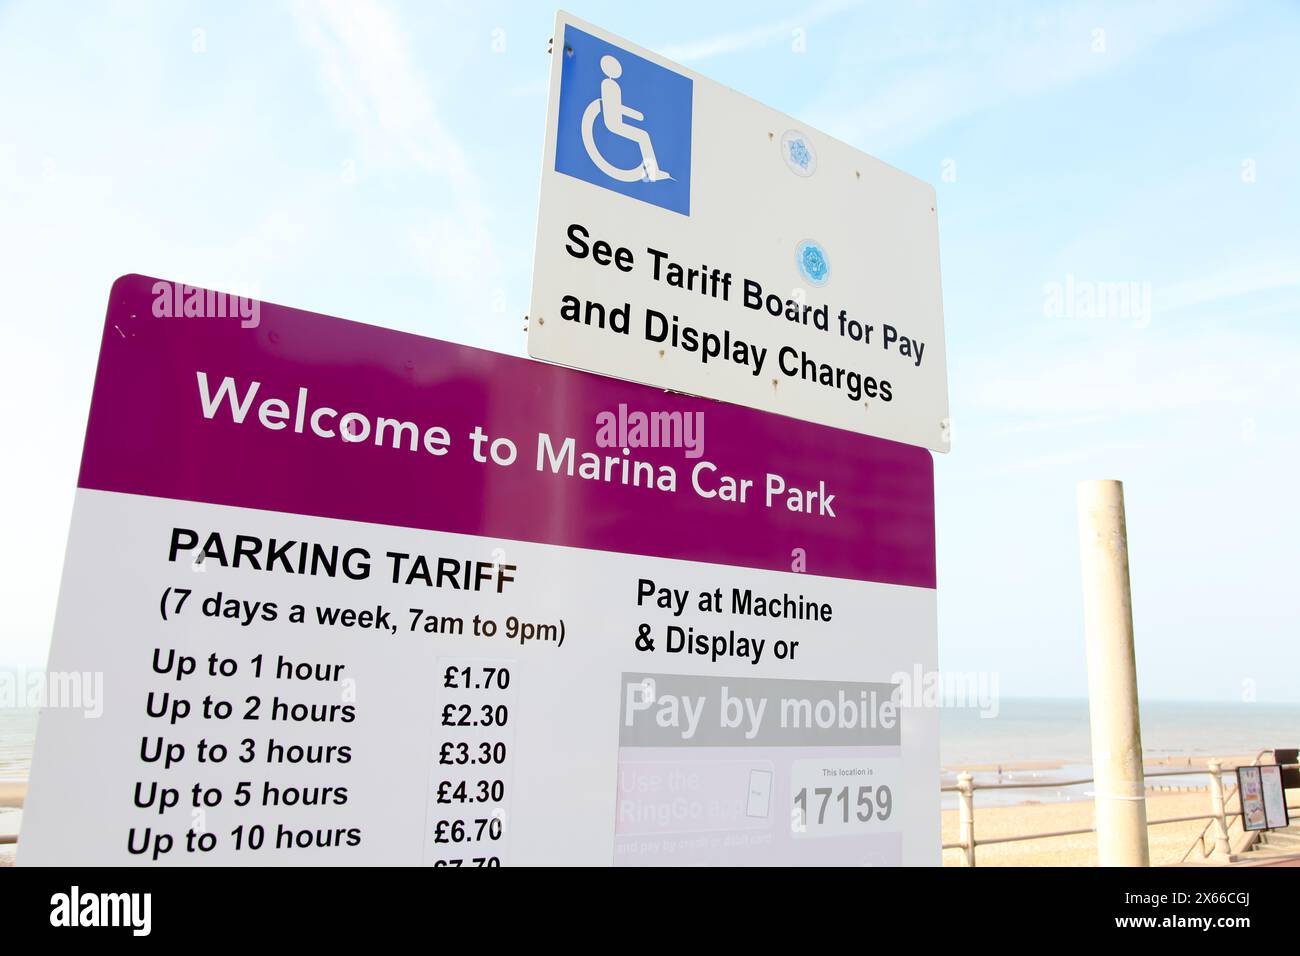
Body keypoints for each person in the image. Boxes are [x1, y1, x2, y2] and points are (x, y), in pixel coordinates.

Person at [598, 55, 668, 181]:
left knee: (643, 135)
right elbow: (611, 107)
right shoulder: (608, 85)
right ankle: (652, 172)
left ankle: (653, 171)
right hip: (613, 123)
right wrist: (635, 115)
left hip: (617, 120)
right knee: (643, 136)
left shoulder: (613, 86)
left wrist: (636, 115)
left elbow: (617, 106)